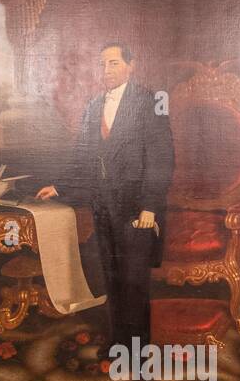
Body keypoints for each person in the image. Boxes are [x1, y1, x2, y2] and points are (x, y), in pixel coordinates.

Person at [35, 42, 174, 350]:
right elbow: (82, 155)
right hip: (103, 204)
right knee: (111, 278)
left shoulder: (151, 101)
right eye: (102, 64)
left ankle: (137, 354)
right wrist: (58, 186)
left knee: (134, 280)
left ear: (131, 65)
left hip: (137, 208)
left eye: (113, 63)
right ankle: (118, 343)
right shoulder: (94, 104)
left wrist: (150, 207)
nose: (106, 70)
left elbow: (161, 158)